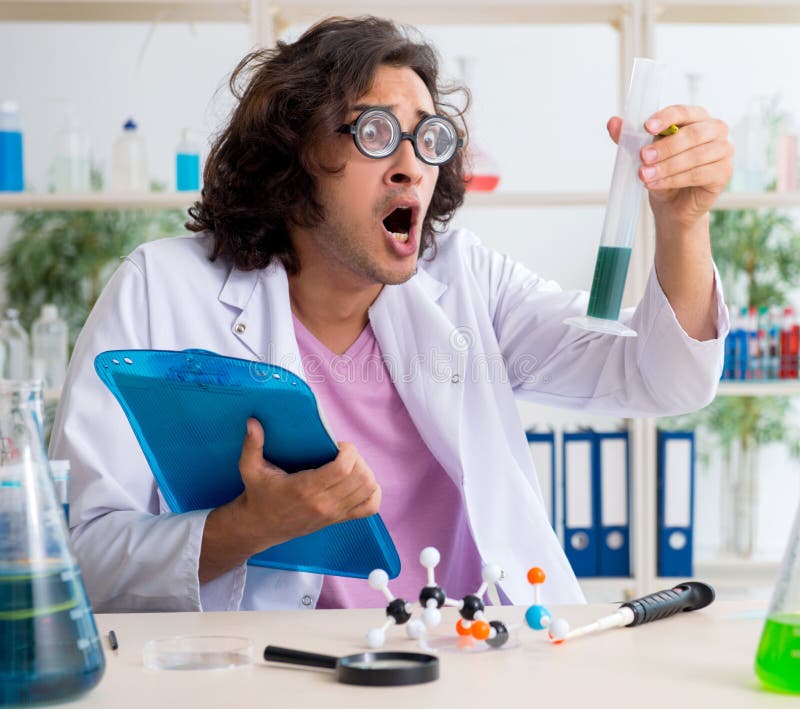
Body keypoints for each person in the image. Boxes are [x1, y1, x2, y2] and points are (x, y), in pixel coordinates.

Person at [50, 16, 732, 612]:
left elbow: (665, 378)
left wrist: (683, 223)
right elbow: (78, 556)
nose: (411, 164)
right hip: (283, 674)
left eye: (429, 137)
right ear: (295, 152)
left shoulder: (468, 283)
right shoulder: (161, 289)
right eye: (376, 131)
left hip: (481, 660)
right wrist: (246, 526)